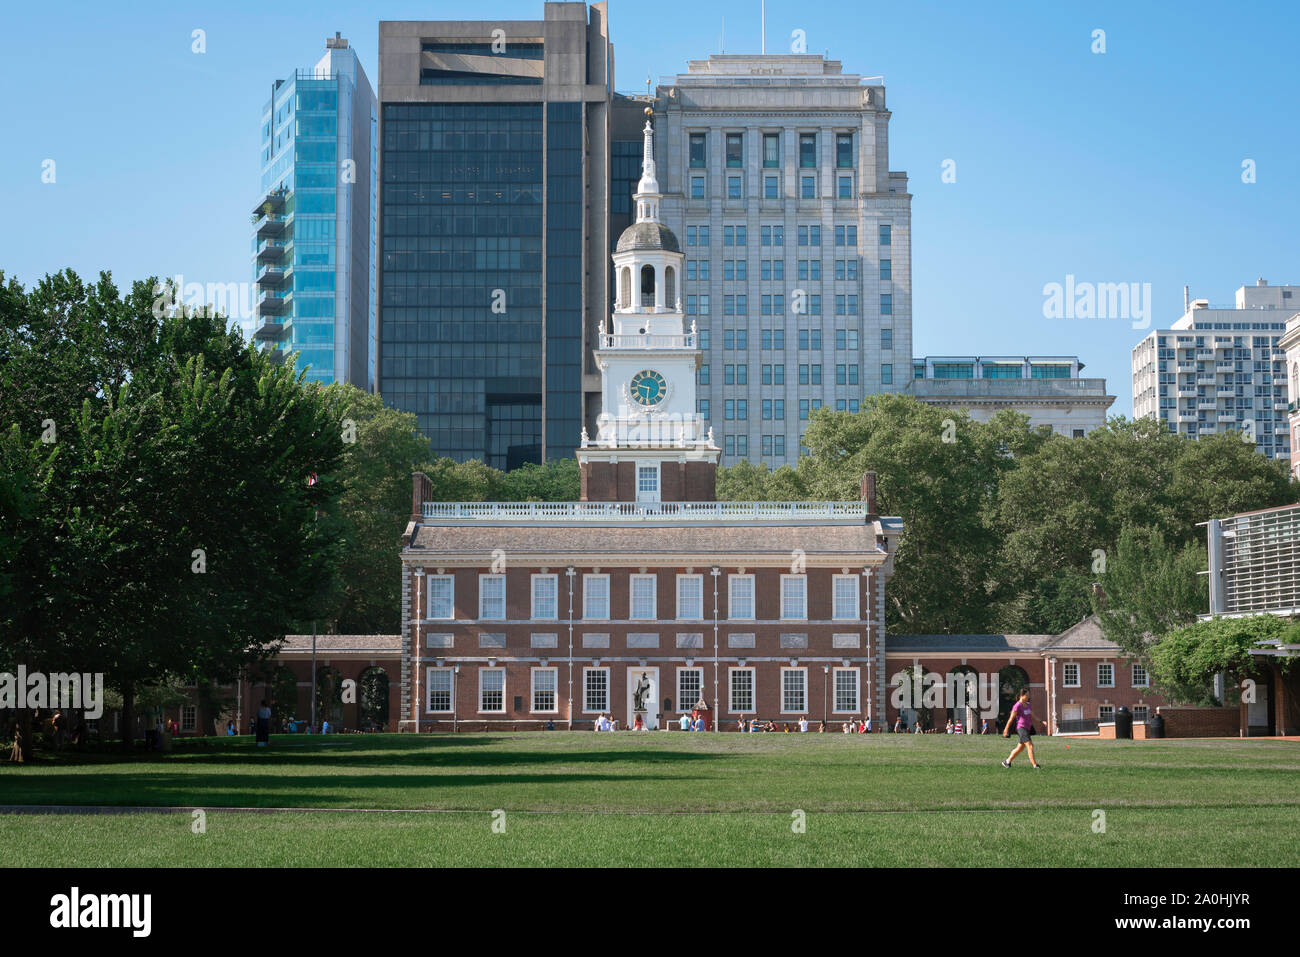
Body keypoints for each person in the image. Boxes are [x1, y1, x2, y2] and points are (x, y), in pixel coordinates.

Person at [1002, 688, 1041, 769]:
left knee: (1020, 748)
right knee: (1030, 746)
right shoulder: (1017, 706)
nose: (1028, 697)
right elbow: (1011, 719)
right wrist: (1006, 729)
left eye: (1028, 695)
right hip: (1021, 728)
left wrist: (1041, 721)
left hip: (1027, 728)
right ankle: (1035, 765)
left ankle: (1007, 762)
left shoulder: (1028, 704)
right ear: (1021, 696)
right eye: (1026, 695)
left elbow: (1032, 715)